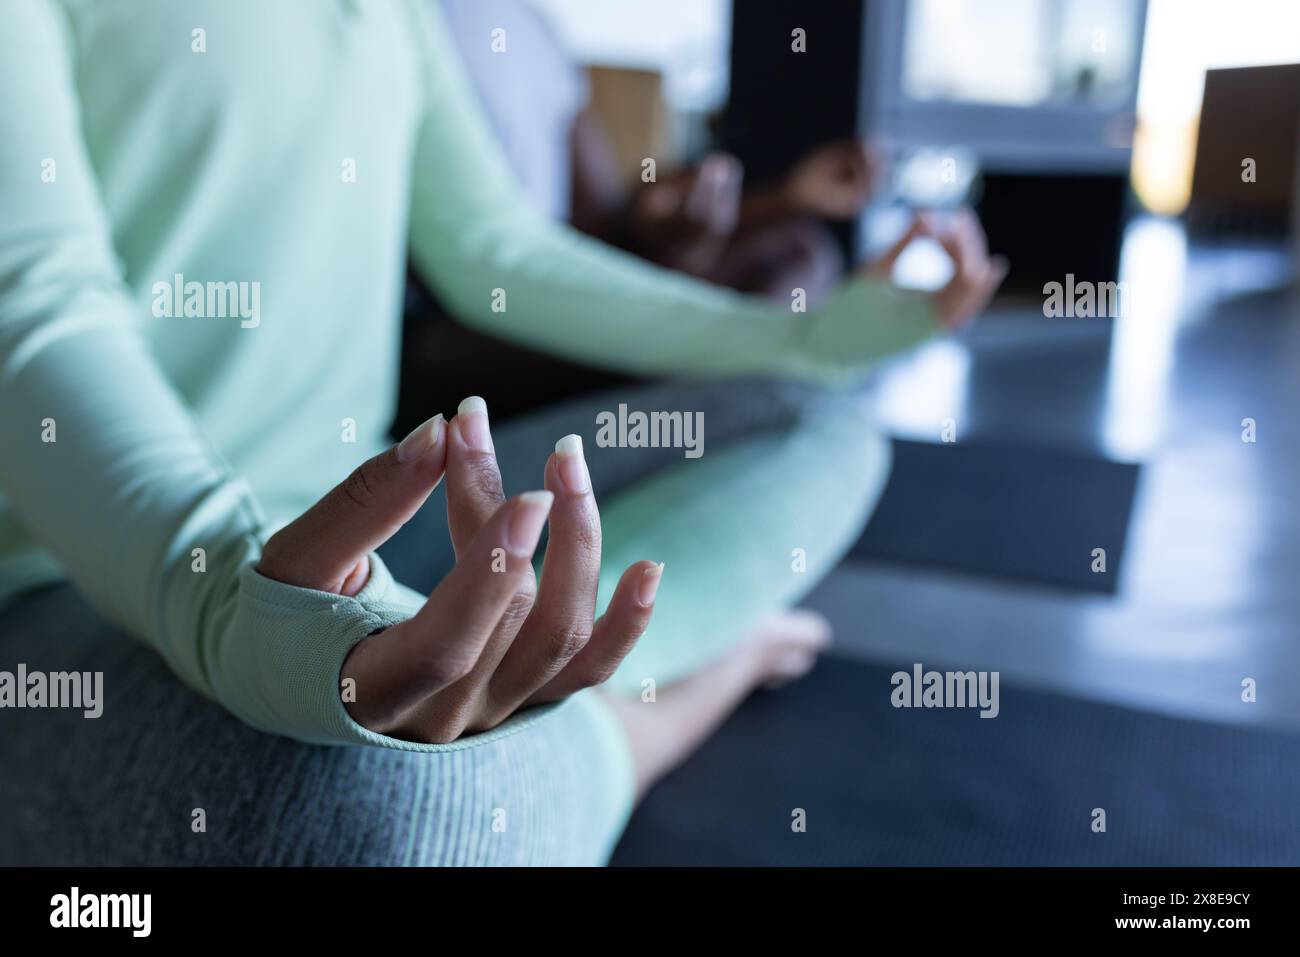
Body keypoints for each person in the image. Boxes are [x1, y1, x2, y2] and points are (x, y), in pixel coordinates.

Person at [0, 0, 1004, 865]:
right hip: (71, 582)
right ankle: (652, 713)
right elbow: (40, 314)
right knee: (363, 823)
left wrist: (803, 338)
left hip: (361, 538)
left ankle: (542, 684)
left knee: (809, 424)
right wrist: (225, 612)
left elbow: (496, 252)